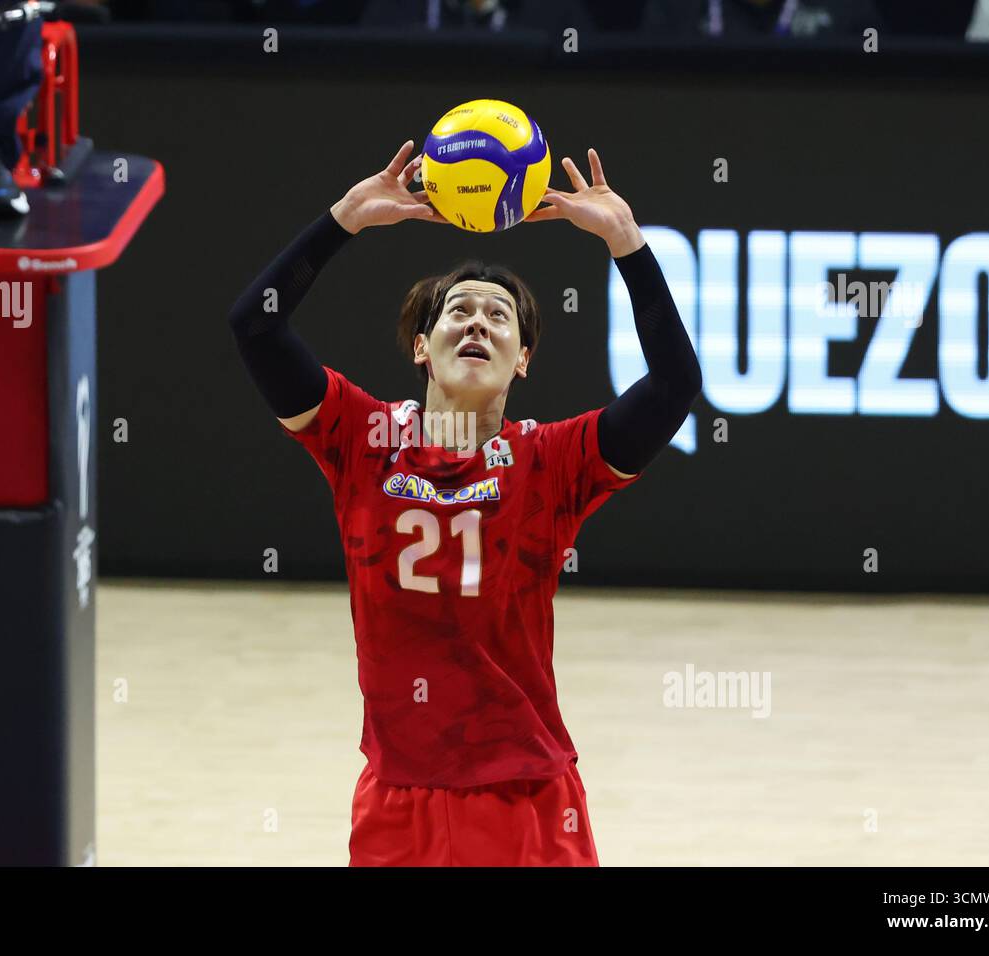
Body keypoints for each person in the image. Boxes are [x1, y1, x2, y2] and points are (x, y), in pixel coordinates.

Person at [227, 141, 701, 866]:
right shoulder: (361, 435)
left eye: (498, 317)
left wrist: (625, 243)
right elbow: (253, 325)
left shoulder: (552, 460)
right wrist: (345, 219)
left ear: (523, 359)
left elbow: (673, 385)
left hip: (526, 796)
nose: (477, 322)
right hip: (399, 796)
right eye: (458, 311)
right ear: (423, 346)